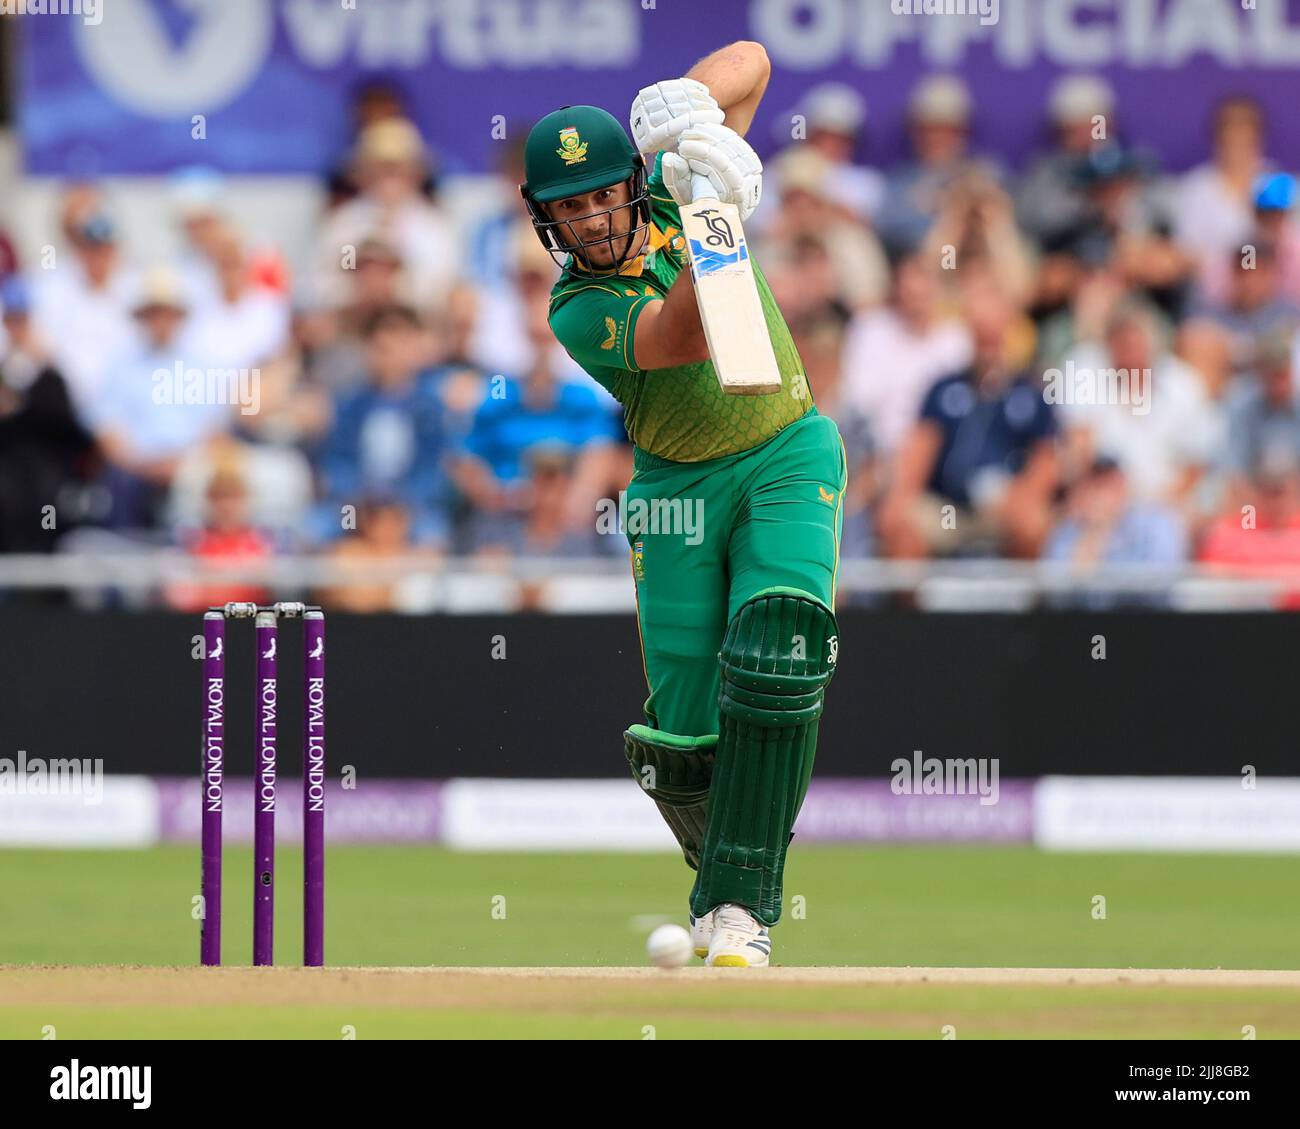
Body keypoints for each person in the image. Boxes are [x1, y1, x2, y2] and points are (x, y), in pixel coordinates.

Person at [520, 41, 845, 968]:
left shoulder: (670, 184)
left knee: (779, 640)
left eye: (599, 195)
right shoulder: (578, 306)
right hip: (676, 491)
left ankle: (744, 910)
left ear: (628, 180)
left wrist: (689, 117)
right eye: (568, 208)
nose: (589, 219)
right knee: (684, 734)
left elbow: (754, 60)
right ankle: (720, 890)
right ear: (548, 221)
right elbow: (682, 334)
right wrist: (721, 213)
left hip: (785, 445)